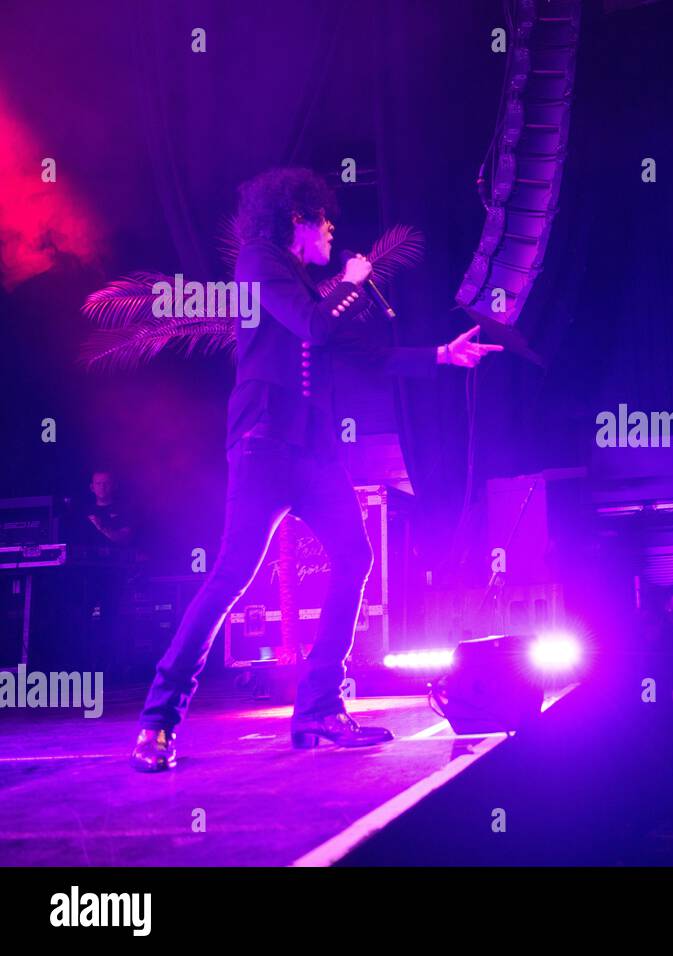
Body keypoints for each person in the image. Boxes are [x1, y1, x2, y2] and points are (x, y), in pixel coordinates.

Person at [131, 167, 503, 772]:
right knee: (231, 575)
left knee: (354, 557)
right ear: (296, 221)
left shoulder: (303, 284)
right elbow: (313, 326)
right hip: (262, 447)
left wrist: (442, 355)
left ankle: (319, 711)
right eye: (323, 219)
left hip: (313, 451)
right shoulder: (257, 261)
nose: (332, 229)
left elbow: (367, 354)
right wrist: (353, 282)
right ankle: (158, 723)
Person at [83, 469, 132, 546]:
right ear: (92, 487)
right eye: (98, 484)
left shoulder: (125, 510)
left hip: (116, 557)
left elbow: (123, 538)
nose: (102, 487)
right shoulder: (85, 511)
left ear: (114, 486)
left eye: (107, 483)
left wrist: (102, 527)